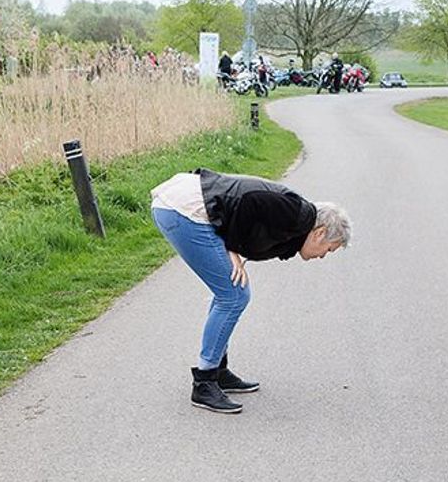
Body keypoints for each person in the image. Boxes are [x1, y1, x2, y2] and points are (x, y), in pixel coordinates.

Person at [150, 168, 351, 414]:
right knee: (234, 295)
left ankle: (218, 371)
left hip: (184, 204)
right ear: (319, 233)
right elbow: (250, 201)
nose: (322, 256)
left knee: (229, 292)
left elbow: (255, 225)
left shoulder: (297, 226)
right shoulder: (297, 214)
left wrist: (238, 248)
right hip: (184, 209)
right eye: (328, 249)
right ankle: (204, 382)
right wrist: (232, 246)